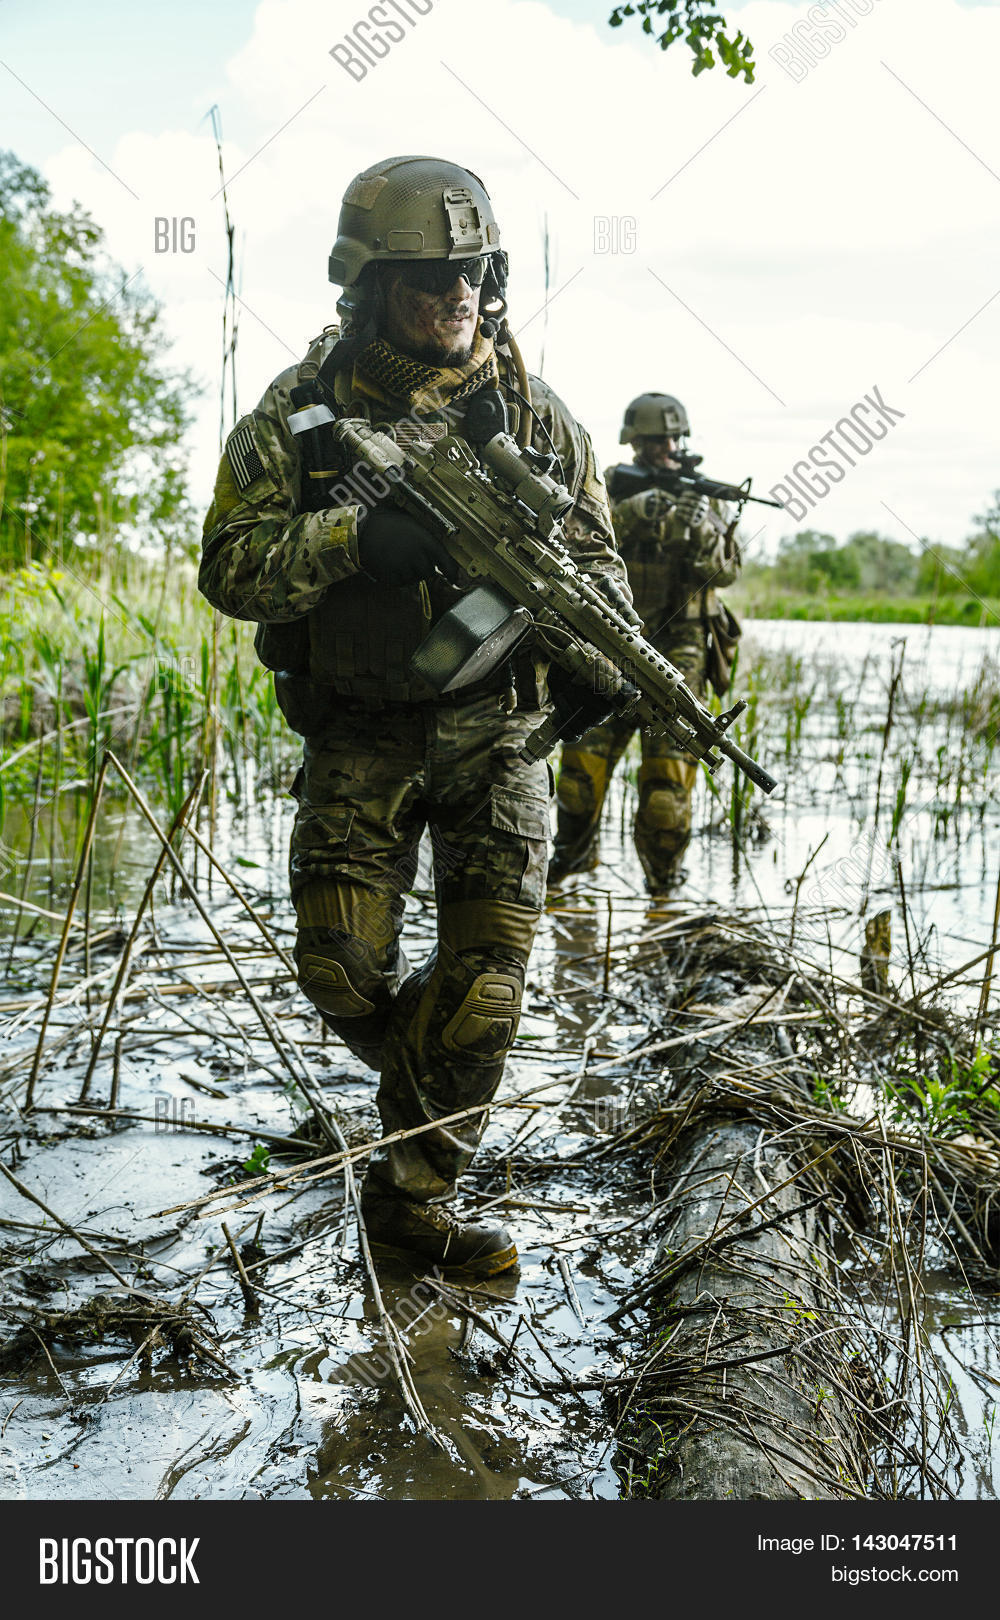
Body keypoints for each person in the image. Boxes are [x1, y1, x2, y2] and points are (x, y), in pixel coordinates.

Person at [199, 155, 629, 1278]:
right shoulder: (302, 414)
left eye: (474, 275)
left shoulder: (537, 418)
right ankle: (430, 1088)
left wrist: (595, 667)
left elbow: (597, 571)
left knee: (486, 984)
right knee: (339, 969)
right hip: (359, 727)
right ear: (369, 284)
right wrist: (350, 542)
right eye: (427, 279)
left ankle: (410, 1205)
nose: (457, 298)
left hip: (497, 732)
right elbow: (228, 568)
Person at [549, 391, 742, 893]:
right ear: (635, 442)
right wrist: (632, 514)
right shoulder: (606, 486)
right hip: (609, 644)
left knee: (666, 789)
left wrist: (699, 532)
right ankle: (568, 877)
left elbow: (725, 575)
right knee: (579, 782)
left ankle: (663, 893)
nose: (669, 447)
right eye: (657, 440)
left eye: (676, 438)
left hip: (681, 652)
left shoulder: (705, 495)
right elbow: (571, 546)